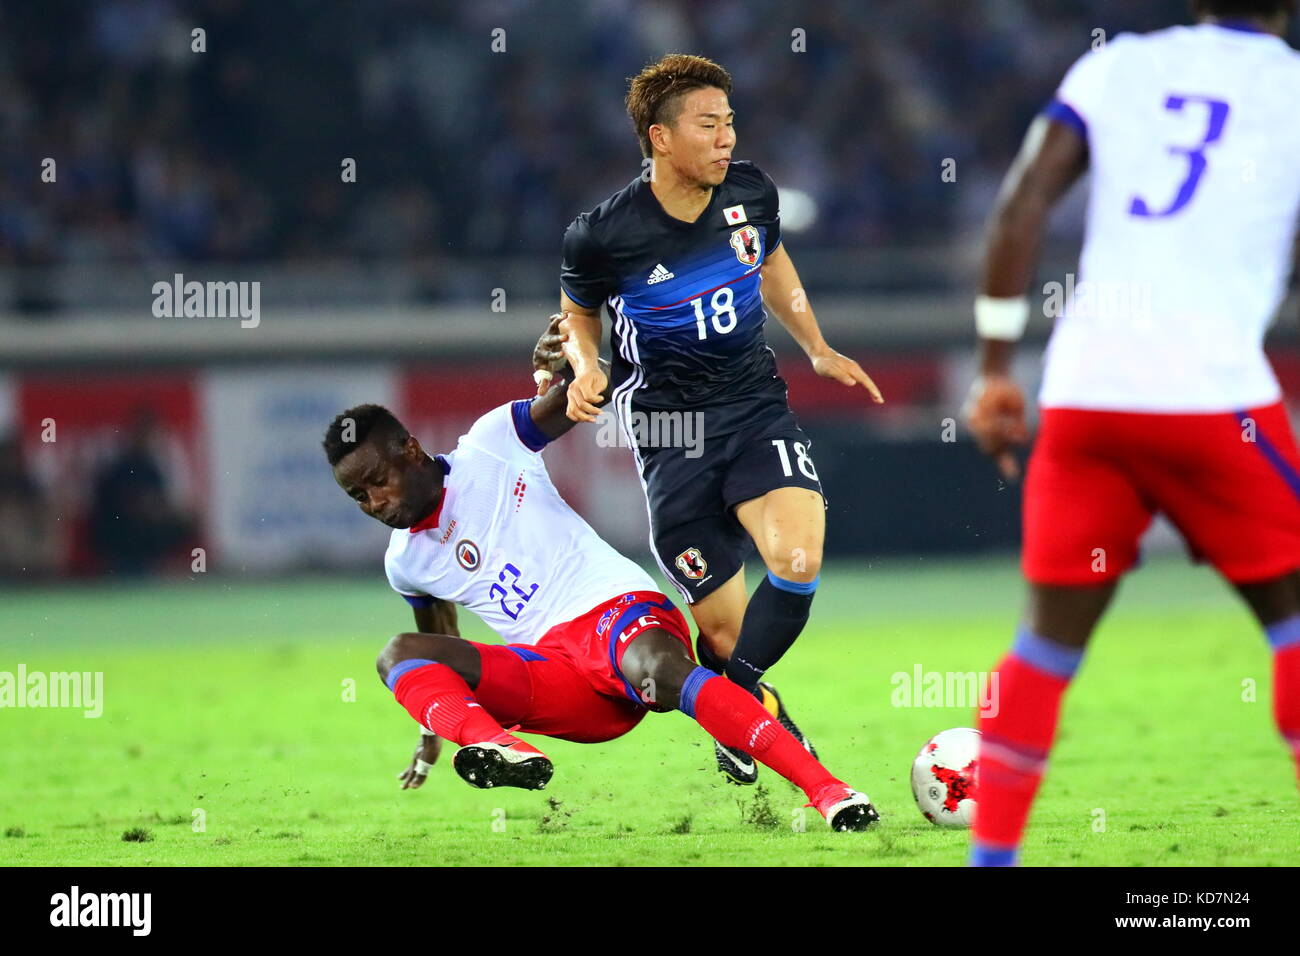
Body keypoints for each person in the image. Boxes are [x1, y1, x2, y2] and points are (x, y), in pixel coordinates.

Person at [962, 0, 1300, 866]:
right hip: (1214, 399)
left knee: (1044, 644)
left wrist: (997, 367)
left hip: (1088, 396)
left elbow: (1020, 206)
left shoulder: (1114, 68)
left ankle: (990, 860)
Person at [321, 365, 879, 831]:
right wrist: (436, 730)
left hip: (613, 610)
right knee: (396, 653)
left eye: (377, 480)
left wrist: (574, 362)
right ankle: (509, 751)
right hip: (555, 676)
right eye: (356, 495)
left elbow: (581, 396)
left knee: (659, 673)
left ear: (410, 451)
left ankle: (828, 791)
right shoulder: (406, 562)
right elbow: (441, 649)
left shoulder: (490, 447)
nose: (372, 501)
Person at [536, 53, 884, 784]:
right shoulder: (602, 233)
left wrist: (816, 346)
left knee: (796, 561)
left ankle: (730, 709)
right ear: (661, 139)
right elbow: (577, 314)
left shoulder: (752, 192)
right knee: (723, 636)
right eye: (708, 125)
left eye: (730, 123)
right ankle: (749, 708)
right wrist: (588, 365)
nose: (726, 139)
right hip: (669, 433)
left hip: (756, 410)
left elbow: (772, 260)